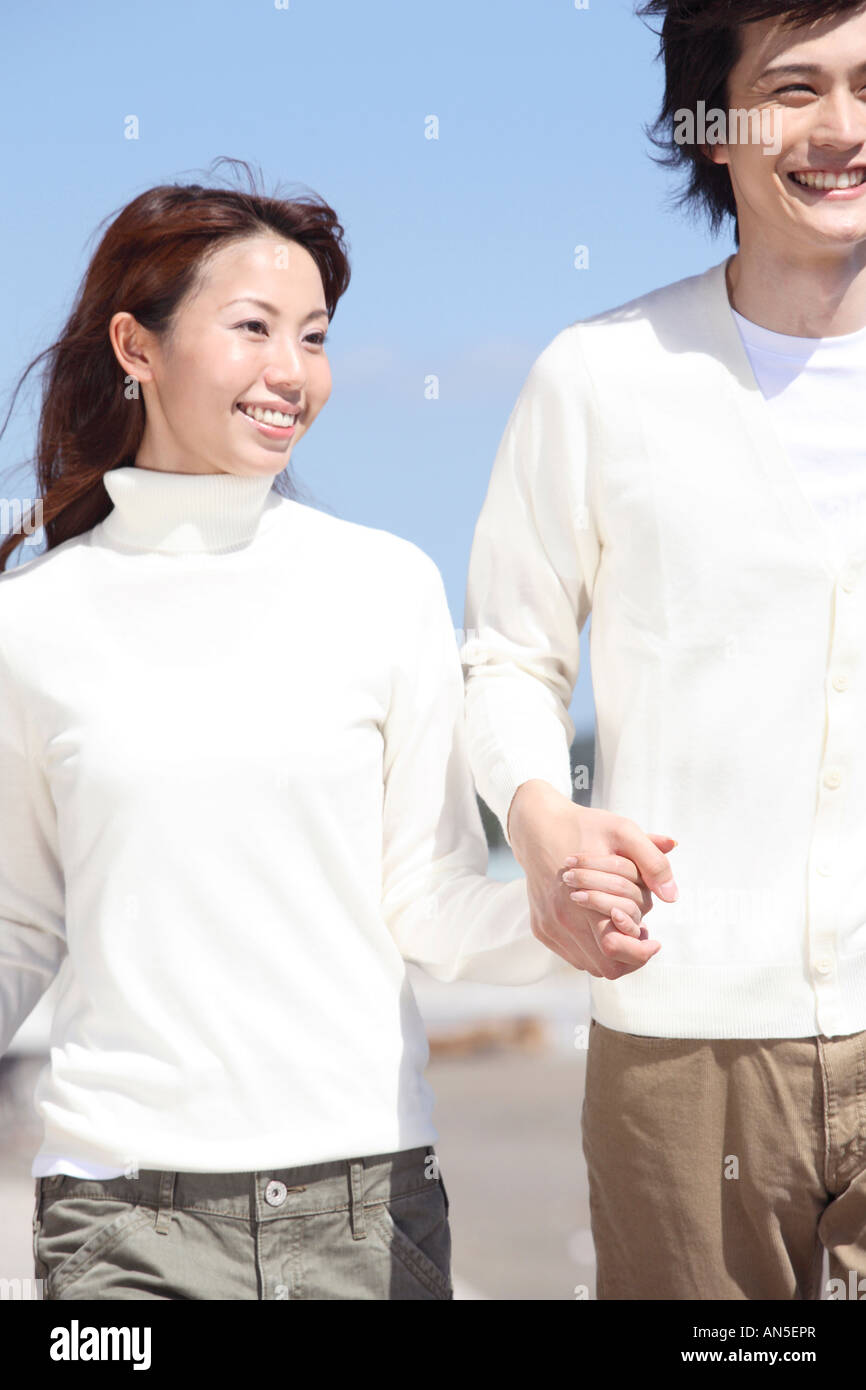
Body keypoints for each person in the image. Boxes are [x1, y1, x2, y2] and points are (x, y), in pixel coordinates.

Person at [0, 160, 652, 1301]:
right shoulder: (33, 624)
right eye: (252, 328)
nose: (290, 373)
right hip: (117, 1220)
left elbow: (427, 899)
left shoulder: (382, 586)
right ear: (134, 346)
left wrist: (553, 914)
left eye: (313, 336)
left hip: (361, 1212)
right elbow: (19, 923)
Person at [461, 0, 866, 1300]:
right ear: (713, 124)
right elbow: (507, 655)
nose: (839, 127)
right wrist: (540, 825)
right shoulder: (598, 379)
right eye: (792, 87)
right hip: (680, 1040)